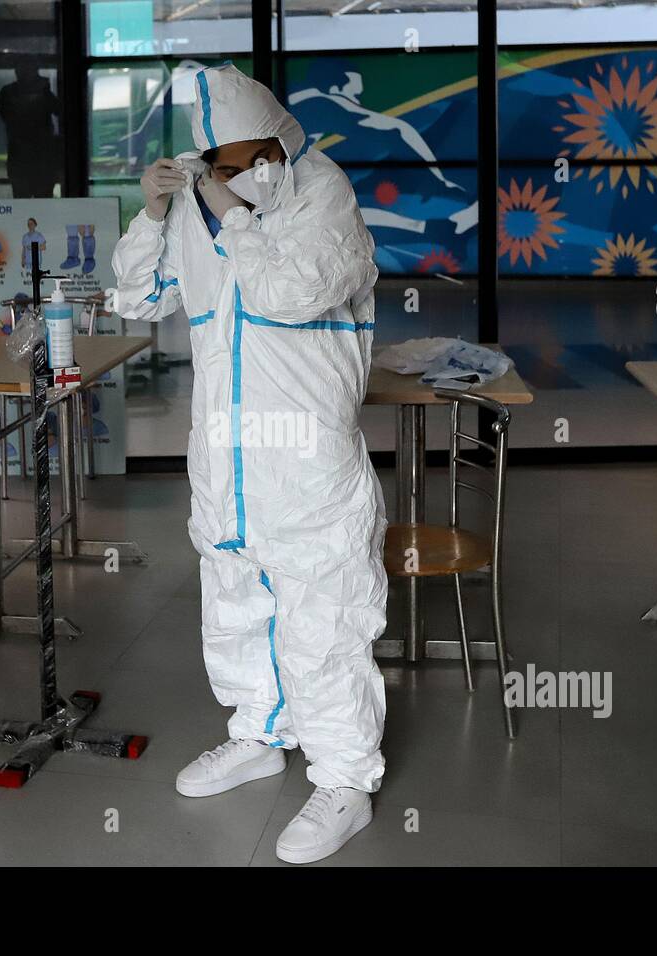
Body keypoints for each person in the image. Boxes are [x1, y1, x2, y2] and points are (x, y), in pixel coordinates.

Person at [112, 64, 387, 865]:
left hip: (305, 459)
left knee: (323, 614)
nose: (237, 176)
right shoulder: (200, 206)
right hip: (225, 456)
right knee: (235, 600)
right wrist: (156, 210)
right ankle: (258, 734)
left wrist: (226, 211)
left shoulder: (322, 195)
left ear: (282, 141)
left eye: (249, 158)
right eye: (219, 164)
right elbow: (139, 298)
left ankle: (344, 780)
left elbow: (289, 291)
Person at [0, 64, 62, 198]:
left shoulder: (8, 92)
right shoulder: (40, 93)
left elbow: (7, 118)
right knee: (41, 206)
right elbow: (59, 111)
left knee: (23, 205)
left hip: (22, 160)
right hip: (40, 160)